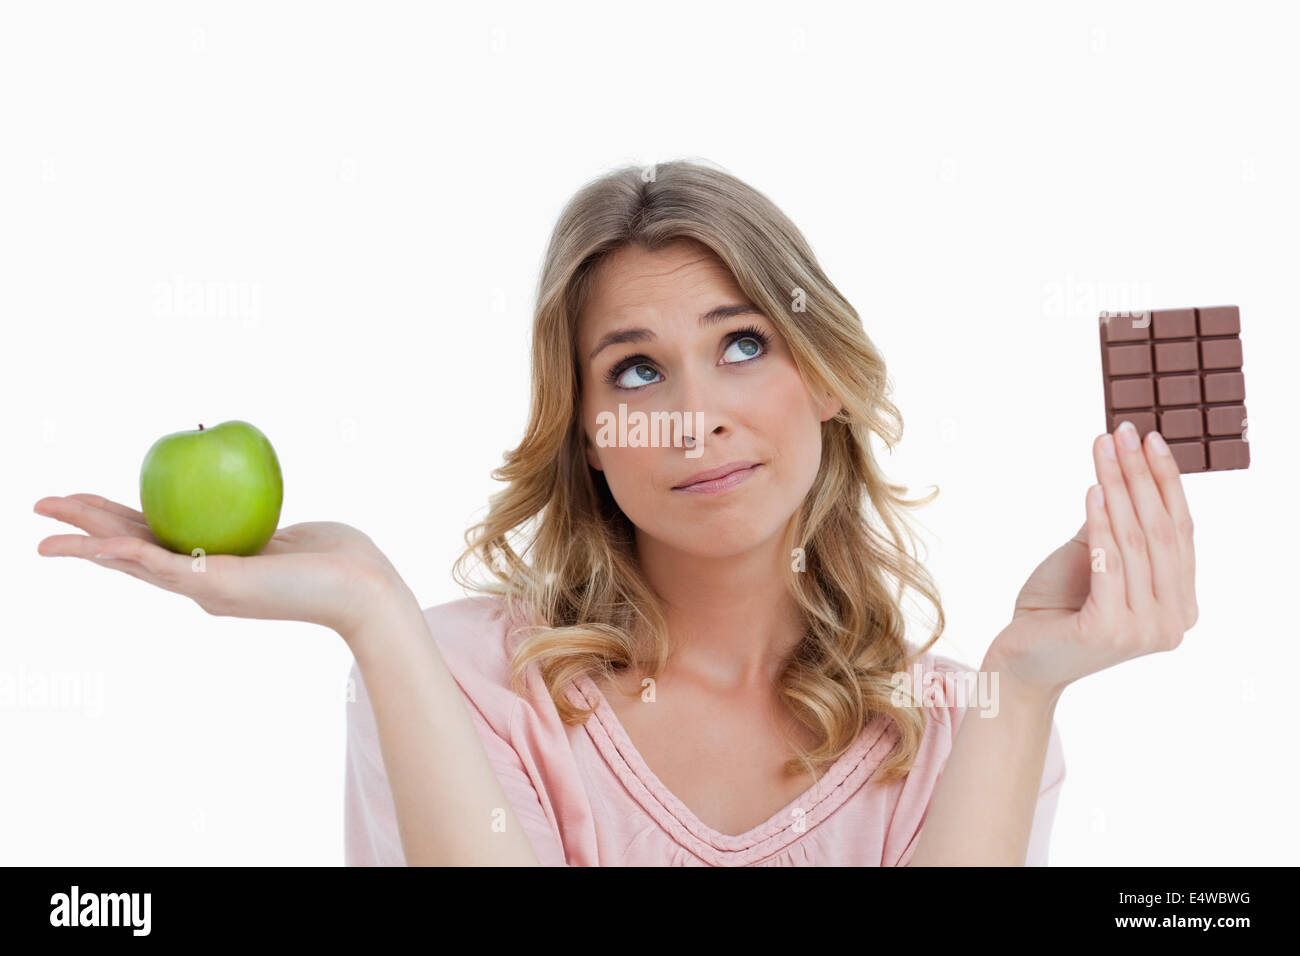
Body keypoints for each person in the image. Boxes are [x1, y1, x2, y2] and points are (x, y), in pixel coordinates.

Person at [34, 160, 1198, 866]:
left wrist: (1027, 679)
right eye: (636, 371)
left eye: (743, 344)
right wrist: (373, 613)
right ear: (587, 432)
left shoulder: (961, 723)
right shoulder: (460, 679)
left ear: (827, 376)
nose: (694, 416)